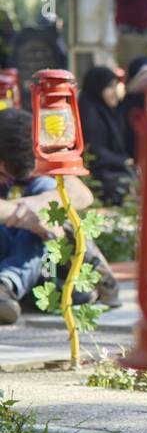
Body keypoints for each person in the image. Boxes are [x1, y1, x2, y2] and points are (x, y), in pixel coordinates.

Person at [0, 108, 118, 323]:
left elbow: (82, 195)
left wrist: (38, 206)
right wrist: (23, 213)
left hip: (27, 251)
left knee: (48, 190)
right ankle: (82, 273)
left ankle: (9, 287)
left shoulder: (32, 158)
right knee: (42, 219)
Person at [77, 66, 134, 205]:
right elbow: (94, 152)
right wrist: (122, 161)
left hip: (111, 170)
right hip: (99, 176)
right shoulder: (88, 111)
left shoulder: (109, 111)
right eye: (109, 87)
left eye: (116, 86)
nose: (114, 92)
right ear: (97, 88)